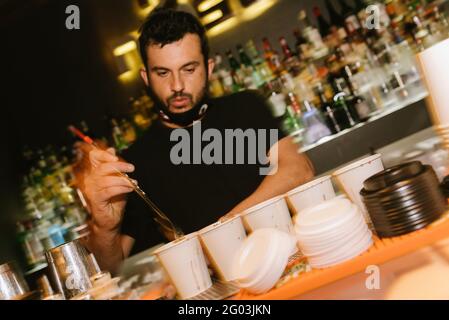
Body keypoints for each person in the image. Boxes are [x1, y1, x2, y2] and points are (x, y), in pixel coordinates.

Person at [83, 8, 314, 273]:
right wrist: (104, 226)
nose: (177, 85)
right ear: (146, 78)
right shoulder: (136, 160)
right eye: (162, 73)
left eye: (189, 69)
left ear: (209, 67)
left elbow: (299, 169)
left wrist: (226, 226)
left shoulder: (244, 107)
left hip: (292, 262)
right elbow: (110, 267)